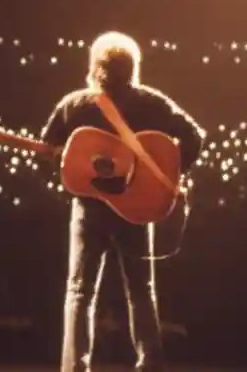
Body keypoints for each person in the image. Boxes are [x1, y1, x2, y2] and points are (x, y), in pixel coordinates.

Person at [40, 31, 205, 372]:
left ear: (94, 67)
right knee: (141, 289)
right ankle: (151, 363)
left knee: (79, 292)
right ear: (133, 68)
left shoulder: (76, 104)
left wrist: (70, 167)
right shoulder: (152, 102)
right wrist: (165, 178)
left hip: (89, 208)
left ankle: (75, 367)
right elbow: (194, 136)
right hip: (136, 210)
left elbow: (47, 147)